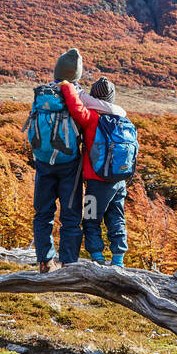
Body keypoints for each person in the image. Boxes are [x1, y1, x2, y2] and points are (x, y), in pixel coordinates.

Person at [59, 76, 129, 267]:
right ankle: (118, 260)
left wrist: (67, 86)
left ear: (93, 97)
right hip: (119, 181)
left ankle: (97, 257)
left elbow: (75, 107)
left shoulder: (92, 119)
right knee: (117, 218)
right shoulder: (123, 119)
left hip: (96, 183)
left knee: (91, 218)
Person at [30, 48, 88, 273]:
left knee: (43, 212)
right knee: (71, 214)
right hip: (70, 164)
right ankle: (68, 264)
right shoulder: (76, 94)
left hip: (43, 161)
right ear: (76, 75)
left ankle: (45, 261)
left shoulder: (43, 94)